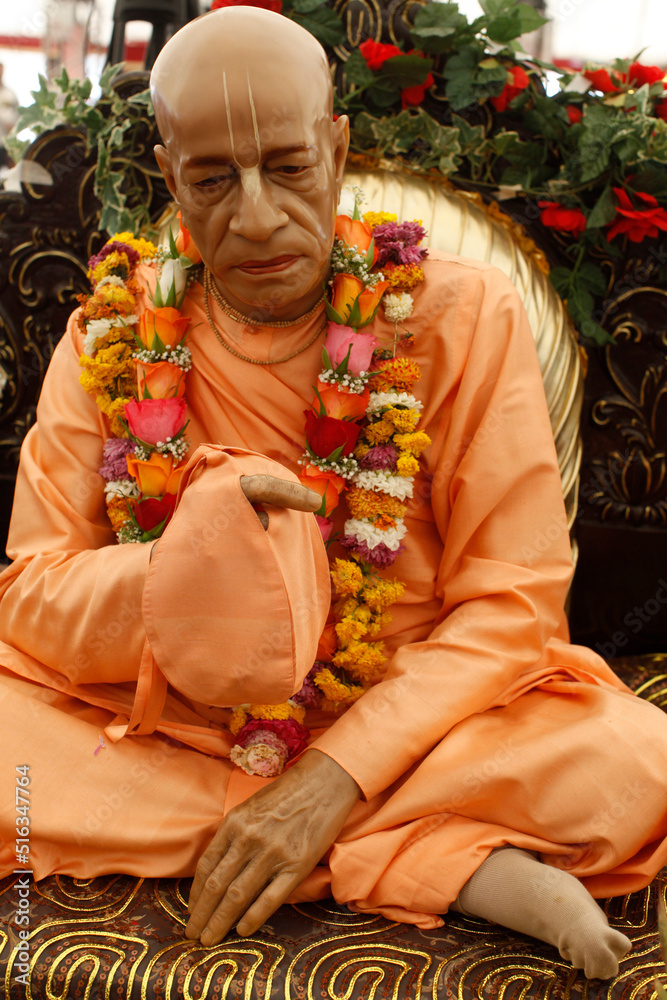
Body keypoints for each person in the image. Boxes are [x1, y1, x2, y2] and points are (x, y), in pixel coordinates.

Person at [0, 6, 666, 982]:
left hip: (413, 706)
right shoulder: (107, 333)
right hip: (178, 711)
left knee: (633, 758)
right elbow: (32, 588)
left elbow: (511, 598)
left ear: (337, 144)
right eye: (213, 179)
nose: (258, 215)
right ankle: (442, 857)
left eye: (288, 166)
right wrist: (193, 562)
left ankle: (310, 828)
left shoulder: (460, 316)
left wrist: (328, 777)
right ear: (166, 171)